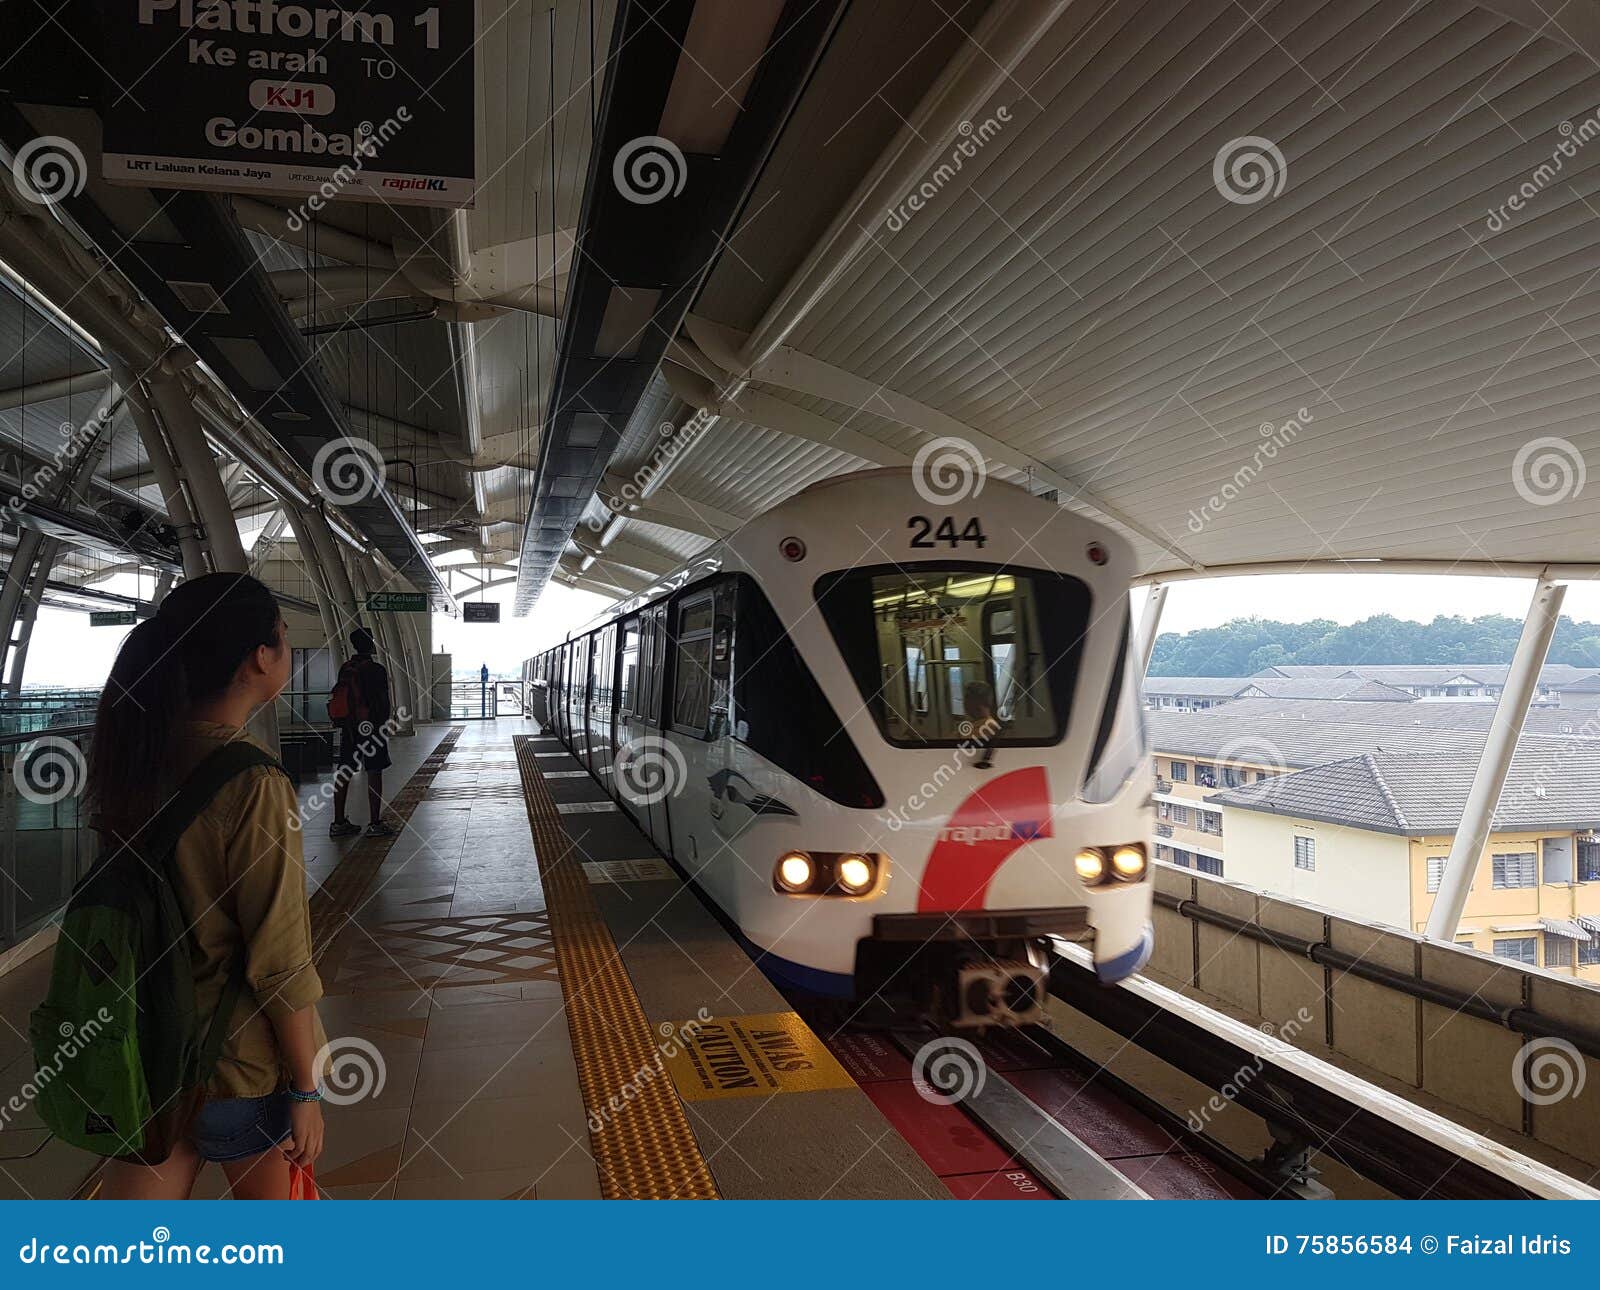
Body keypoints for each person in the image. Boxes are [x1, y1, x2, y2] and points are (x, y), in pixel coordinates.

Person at [85, 573, 326, 1200]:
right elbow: (279, 961)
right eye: (283, 637)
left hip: (143, 1052)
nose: (288, 652)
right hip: (233, 1062)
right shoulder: (253, 781)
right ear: (258, 658)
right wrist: (306, 1090)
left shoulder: (135, 756)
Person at [329, 626, 395, 838]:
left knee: (344, 771)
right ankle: (374, 823)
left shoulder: (346, 668)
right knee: (374, 772)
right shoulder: (376, 670)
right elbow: (384, 703)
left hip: (349, 728)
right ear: (371, 644)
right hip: (372, 728)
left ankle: (338, 822)